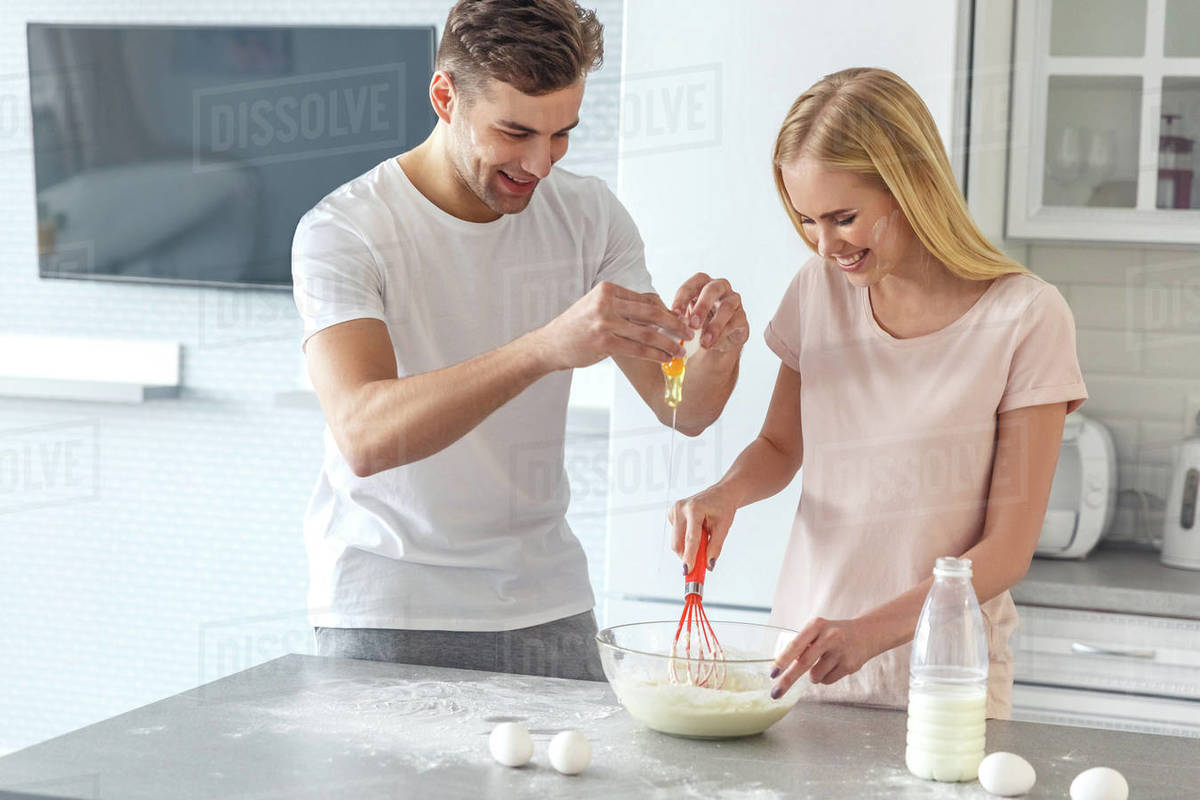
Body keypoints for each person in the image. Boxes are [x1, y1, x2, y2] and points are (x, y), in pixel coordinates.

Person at [290, 0, 748, 682]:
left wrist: (717, 351)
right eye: (515, 132)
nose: (540, 163)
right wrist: (544, 348)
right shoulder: (345, 231)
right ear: (445, 97)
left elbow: (682, 407)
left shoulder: (590, 215)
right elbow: (365, 435)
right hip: (390, 606)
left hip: (546, 603)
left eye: (562, 134)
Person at [667, 68, 1085, 718]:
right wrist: (726, 493)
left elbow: (1006, 551)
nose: (824, 246)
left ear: (912, 185)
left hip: (943, 682)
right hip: (806, 661)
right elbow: (779, 446)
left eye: (844, 218)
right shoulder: (818, 290)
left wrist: (867, 634)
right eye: (807, 220)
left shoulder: (1026, 316)